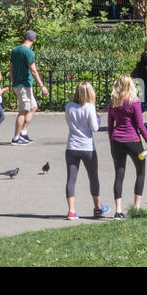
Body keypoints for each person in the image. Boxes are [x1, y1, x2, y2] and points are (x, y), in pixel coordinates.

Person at [106, 75, 147, 218]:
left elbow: (110, 126)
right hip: (133, 141)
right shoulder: (134, 102)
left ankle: (118, 211)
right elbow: (140, 125)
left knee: (119, 174)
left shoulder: (113, 102)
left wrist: (112, 141)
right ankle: (136, 207)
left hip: (117, 141)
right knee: (140, 171)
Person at [64, 82, 109, 220]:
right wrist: (99, 118)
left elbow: (68, 122)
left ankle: (71, 211)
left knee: (71, 179)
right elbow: (94, 128)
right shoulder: (90, 107)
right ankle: (97, 207)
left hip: (72, 145)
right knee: (93, 177)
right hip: (87, 147)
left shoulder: (69, 106)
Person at [10, 30, 48, 145]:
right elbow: (33, 70)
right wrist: (42, 86)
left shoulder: (15, 50)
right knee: (23, 111)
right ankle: (16, 138)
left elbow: (10, 69)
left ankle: (24, 132)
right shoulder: (28, 52)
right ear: (34, 40)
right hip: (24, 85)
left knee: (33, 107)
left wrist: (13, 83)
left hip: (18, 84)